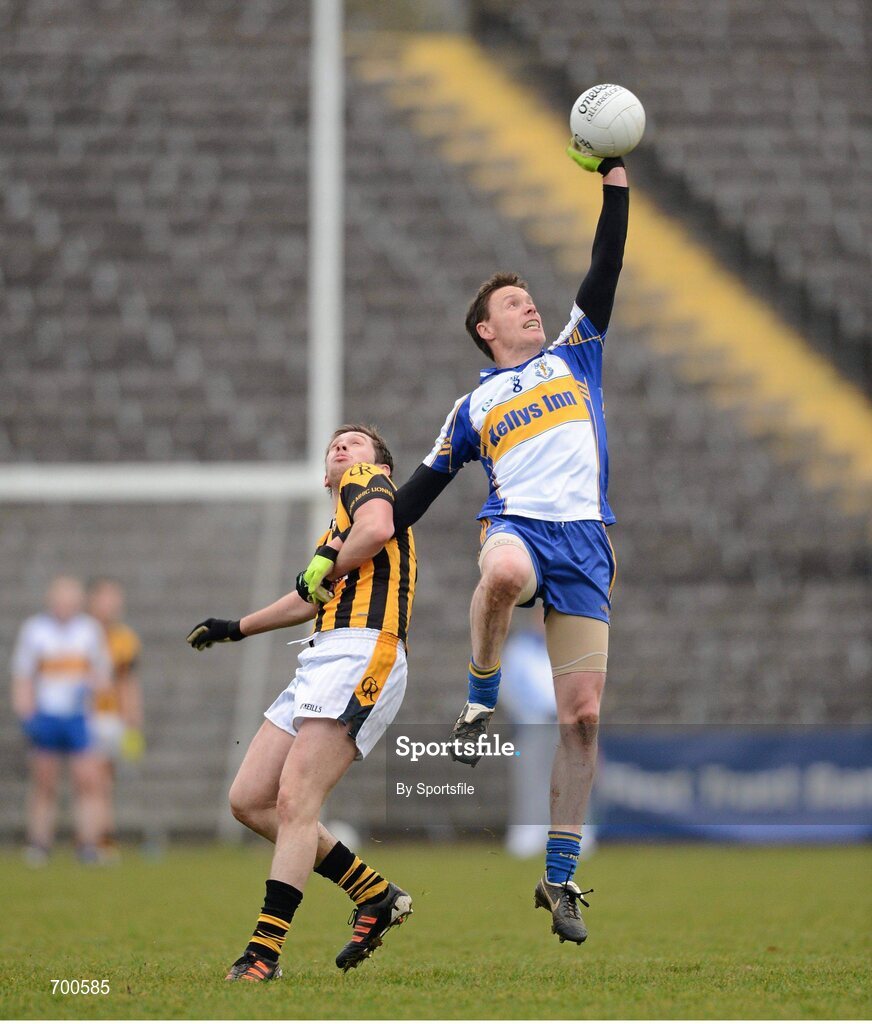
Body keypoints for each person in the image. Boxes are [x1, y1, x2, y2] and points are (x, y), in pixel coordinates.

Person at [386, 145, 628, 944]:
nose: (532, 309)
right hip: (517, 525)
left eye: (532, 301)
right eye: (516, 305)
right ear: (486, 331)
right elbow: (414, 498)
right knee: (505, 571)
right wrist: (353, 544)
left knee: (583, 719)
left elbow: (604, 266)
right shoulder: (472, 406)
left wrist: (615, 181)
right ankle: (480, 695)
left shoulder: (575, 355)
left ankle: (559, 881)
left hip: (587, 542)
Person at [186, 424, 416, 982]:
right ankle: (375, 893)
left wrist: (328, 559)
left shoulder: (368, 489)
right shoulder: (342, 522)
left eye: (356, 442)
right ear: (323, 473)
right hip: (325, 655)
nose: (343, 446)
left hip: (363, 653)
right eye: (335, 444)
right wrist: (236, 628)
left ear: (379, 466)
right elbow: (309, 595)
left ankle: (263, 955)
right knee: (250, 799)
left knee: (295, 802)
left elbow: (378, 525)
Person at [11, 575, 111, 864]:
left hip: (78, 716)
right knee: (44, 781)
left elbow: (102, 674)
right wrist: (26, 713)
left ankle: (88, 844)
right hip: (47, 715)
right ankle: (39, 843)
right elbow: (23, 676)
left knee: (86, 781)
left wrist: (88, 686)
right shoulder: (35, 630)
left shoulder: (88, 630)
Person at [87, 577, 144, 862]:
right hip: (84, 714)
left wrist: (133, 721)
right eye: (105, 598)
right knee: (93, 778)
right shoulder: (81, 634)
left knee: (103, 777)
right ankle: (96, 838)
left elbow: (127, 682)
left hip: (111, 716)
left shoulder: (124, 638)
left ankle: (100, 838)